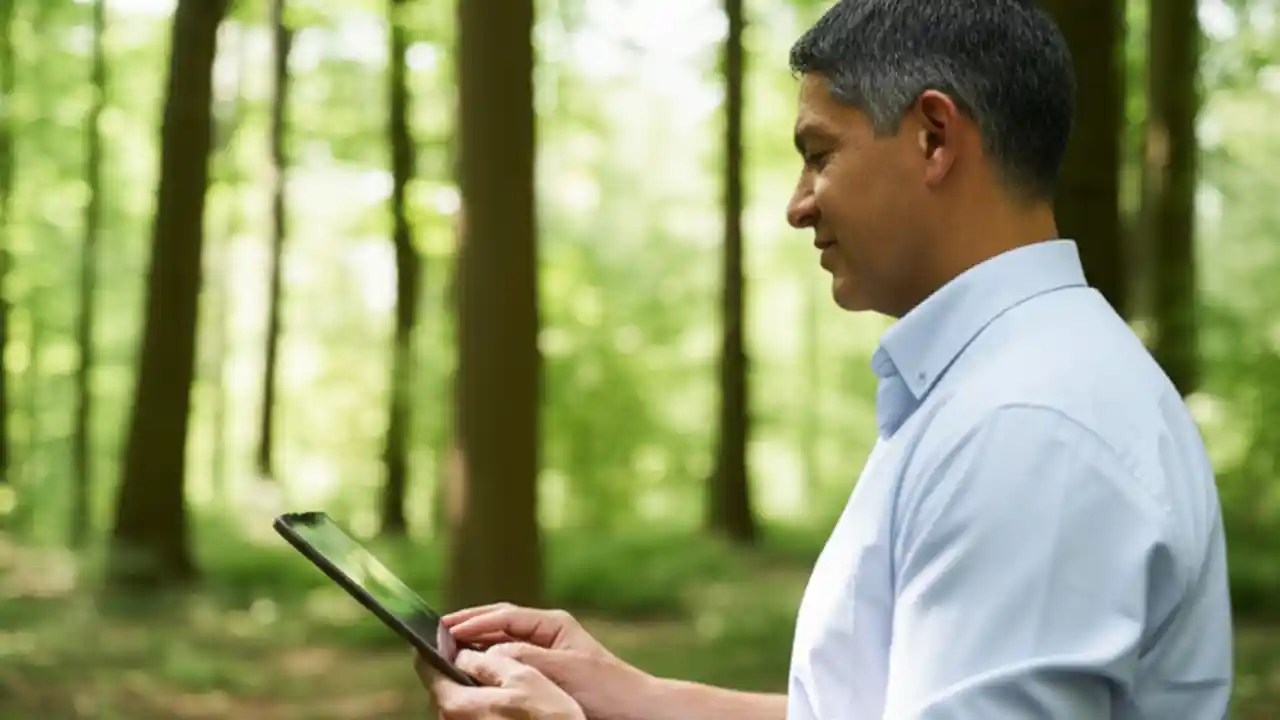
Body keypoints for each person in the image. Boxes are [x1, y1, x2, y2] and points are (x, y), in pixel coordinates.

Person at [418, 0, 1235, 717]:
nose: (797, 204)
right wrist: (629, 697)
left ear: (934, 137)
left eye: (819, 152)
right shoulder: (1010, 388)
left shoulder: (1029, 427)